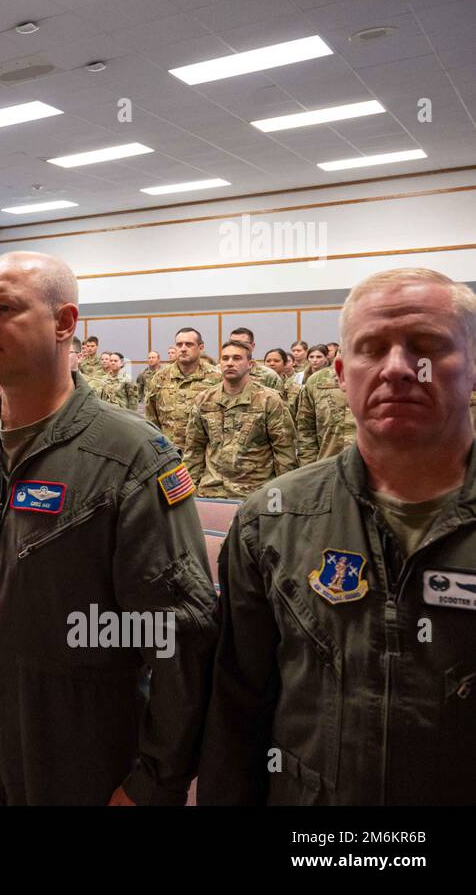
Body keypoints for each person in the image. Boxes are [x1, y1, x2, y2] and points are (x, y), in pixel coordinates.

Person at [0, 251, 218, 806]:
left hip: (81, 745)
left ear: (65, 323)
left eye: (5, 308)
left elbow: (178, 634)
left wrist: (154, 780)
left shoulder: (131, 455)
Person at [200, 268, 476, 805]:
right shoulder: (272, 520)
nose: (398, 368)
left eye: (427, 346)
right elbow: (238, 710)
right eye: (372, 349)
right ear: (342, 373)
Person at [183, 341, 296, 499]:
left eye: (237, 358)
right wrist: (188, 493)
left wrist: (284, 496)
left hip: (255, 494)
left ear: (250, 364)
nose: (230, 363)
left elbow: (284, 453)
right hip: (211, 492)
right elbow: (194, 449)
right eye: (225, 358)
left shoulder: (269, 400)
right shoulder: (204, 399)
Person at [144, 327, 222, 452]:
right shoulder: (160, 377)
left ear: (200, 348)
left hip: (205, 454)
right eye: (179, 345)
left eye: (189, 344)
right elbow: (151, 420)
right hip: (170, 453)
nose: (183, 348)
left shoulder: (217, 377)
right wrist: (162, 449)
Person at [295, 353, 357, 466]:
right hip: (328, 467)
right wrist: (309, 469)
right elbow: (306, 430)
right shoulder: (317, 381)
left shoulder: (386, 377)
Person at [264, 348, 301, 416]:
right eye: (268, 361)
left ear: (285, 363)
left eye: (276, 361)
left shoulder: (296, 388)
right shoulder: (257, 386)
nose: (272, 364)